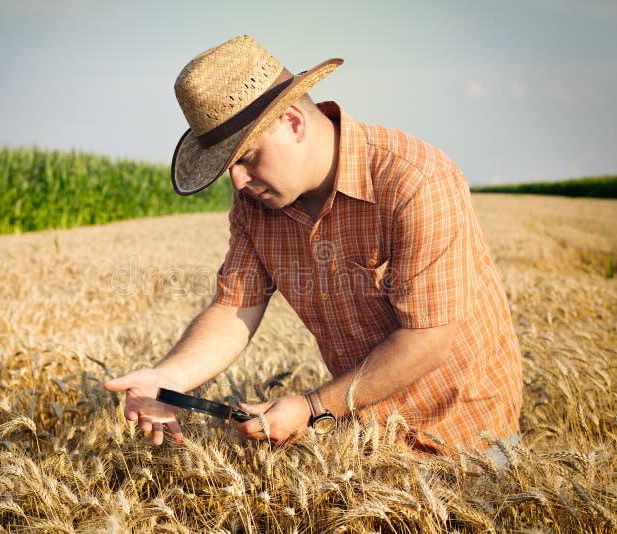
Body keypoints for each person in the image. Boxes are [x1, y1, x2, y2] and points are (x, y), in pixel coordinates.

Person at [103, 35, 523, 455]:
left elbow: (428, 339)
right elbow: (235, 307)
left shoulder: (416, 181)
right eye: (230, 168)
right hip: (366, 437)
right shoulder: (255, 205)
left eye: (246, 156)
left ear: (293, 122)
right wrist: (171, 379)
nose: (238, 181)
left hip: (469, 436)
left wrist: (313, 408)